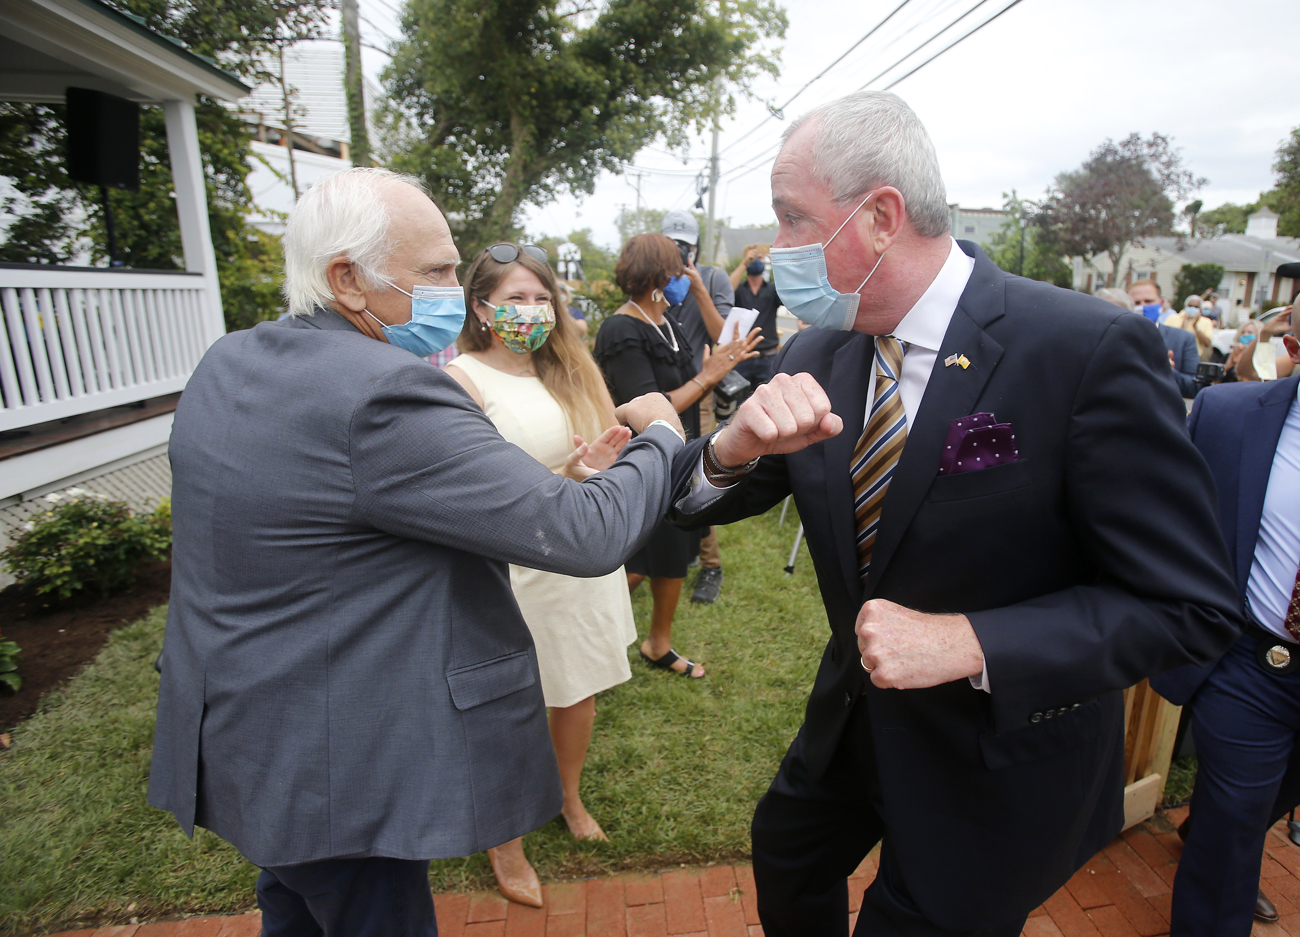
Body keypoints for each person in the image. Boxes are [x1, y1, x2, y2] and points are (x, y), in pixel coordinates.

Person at [665, 90, 1241, 936]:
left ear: (880, 217)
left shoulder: (1081, 350)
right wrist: (730, 449)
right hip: (853, 726)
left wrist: (972, 640)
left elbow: (1188, 607)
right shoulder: (824, 347)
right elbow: (696, 497)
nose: (774, 249)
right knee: (786, 854)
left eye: (791, 220)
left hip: (997, 759)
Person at [147, 168, 694, 936]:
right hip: (336, 762)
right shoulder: (381, 390)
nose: (451, 288)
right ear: (348, 278)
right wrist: (663, 434)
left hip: (248, 732)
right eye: (436, 271)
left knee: (293, 906)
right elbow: (583, 533)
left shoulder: (230, 361)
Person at [443, 243, 634, 906]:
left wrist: (601, 467)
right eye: (514, 298)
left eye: (540, 296)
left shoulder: (570, 369)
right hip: (510, 570)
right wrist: (570, 477)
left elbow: (599, 449)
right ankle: (506, 837)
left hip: (578, 560)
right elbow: (470, 490)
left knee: (574, 689)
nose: (530, 310)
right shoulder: (461, 379)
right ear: (481, 307)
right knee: (509, 704)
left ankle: (567, 796)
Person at [1150, 311, 1300, 936]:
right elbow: (1170, 518)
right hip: (1255, 665)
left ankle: (1211, 820)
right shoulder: (1229, 416)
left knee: (1268, 797)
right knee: (1234, 820)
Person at [593, 233, 760, 679]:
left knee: (669, 556)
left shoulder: (668, 322)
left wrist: (717, 366)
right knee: (644, 558)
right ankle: (594, 625)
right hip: (645, 459)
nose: (685, 276)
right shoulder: (621, 328)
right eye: (678, 270)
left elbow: (693, 378)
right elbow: (646, 406)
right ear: (657, 278)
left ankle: (655, 642)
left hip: (681, 457)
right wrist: (708, 377)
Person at [660, 210, 736, 604]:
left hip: (699, 390)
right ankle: (677, 553)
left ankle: (711, 565)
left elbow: (727, 336)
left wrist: (697, 287)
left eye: (685, 245)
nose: (679, 252)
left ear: (696, 247)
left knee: (698, 474)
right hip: (660, 391)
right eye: (671, 244)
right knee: (660, 470)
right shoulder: (654, 275)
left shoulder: (712, 277)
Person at [1130, 279, 1199, 397]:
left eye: (1149, 301)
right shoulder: (1112, 337)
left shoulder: (1183, 339)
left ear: (1161, 304)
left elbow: (1194, 387)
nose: (1143, 307)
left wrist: (1169, 371)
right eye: (1136, 303)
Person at [732, 252, 783, 396]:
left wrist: (777, 264)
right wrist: (744, 263)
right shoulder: (740, 289)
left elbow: (791, 292)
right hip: (742, 356)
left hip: (768, 357)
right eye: (752, 259)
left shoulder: (772, 289)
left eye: (759, 258)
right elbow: (726, 290)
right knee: (739, 403)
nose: (755, 261)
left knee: (767, 401)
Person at [1164, 295, 1216, 361]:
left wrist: (1195, 327)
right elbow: (1167, 338)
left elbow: (1207, 343)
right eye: (1190, 306)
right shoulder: (1173, 318)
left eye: (1196, 307)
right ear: (1185, 306)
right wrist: (1184, 324)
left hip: (1194, 357)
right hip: (1174, 356)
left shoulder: (1206, 322)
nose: (1193, 308)